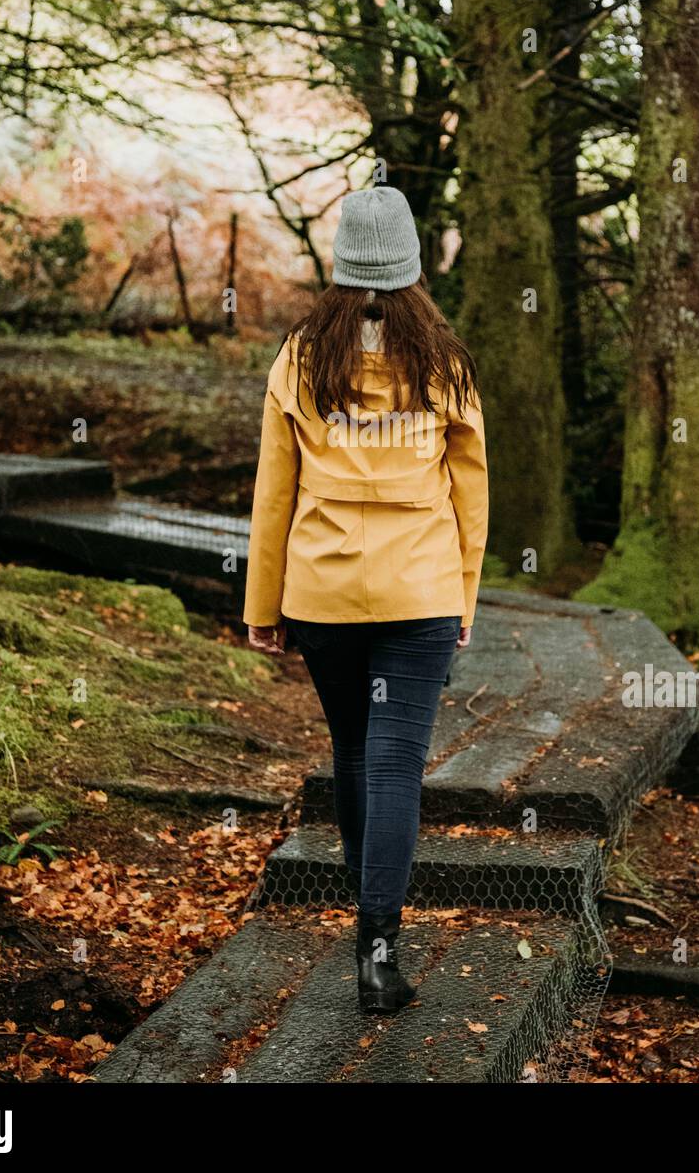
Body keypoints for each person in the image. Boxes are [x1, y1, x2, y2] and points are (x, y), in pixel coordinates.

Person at [243, 185, 488, 1014]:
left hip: (323, 594)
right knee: (395, 766)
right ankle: (378, 955)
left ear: (342, 264)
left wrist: (261, 604)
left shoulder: (300, 357)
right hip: (418, 590)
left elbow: (275, 490)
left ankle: (363, 917)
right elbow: (470, 491)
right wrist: (465, 594)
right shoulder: (442, 362)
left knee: (354, 750)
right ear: (413, 265)